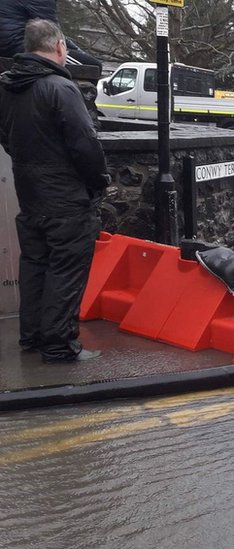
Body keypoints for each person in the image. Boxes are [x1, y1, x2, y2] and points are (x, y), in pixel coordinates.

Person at [0, 19, 109, 362]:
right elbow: (85, 145)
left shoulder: (8, 87)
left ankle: (32, 337)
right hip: (66, 198)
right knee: (65, 269)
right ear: (59, 47)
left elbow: (6, 137)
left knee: (34, 265)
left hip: (30, 194)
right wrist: (98, 182)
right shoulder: (60, 88)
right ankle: (59, 346)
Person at [0, 0, 102, 70]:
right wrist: (81, 53)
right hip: (17, 47)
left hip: (8, 44)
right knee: (93, 66)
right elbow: (53, 35)